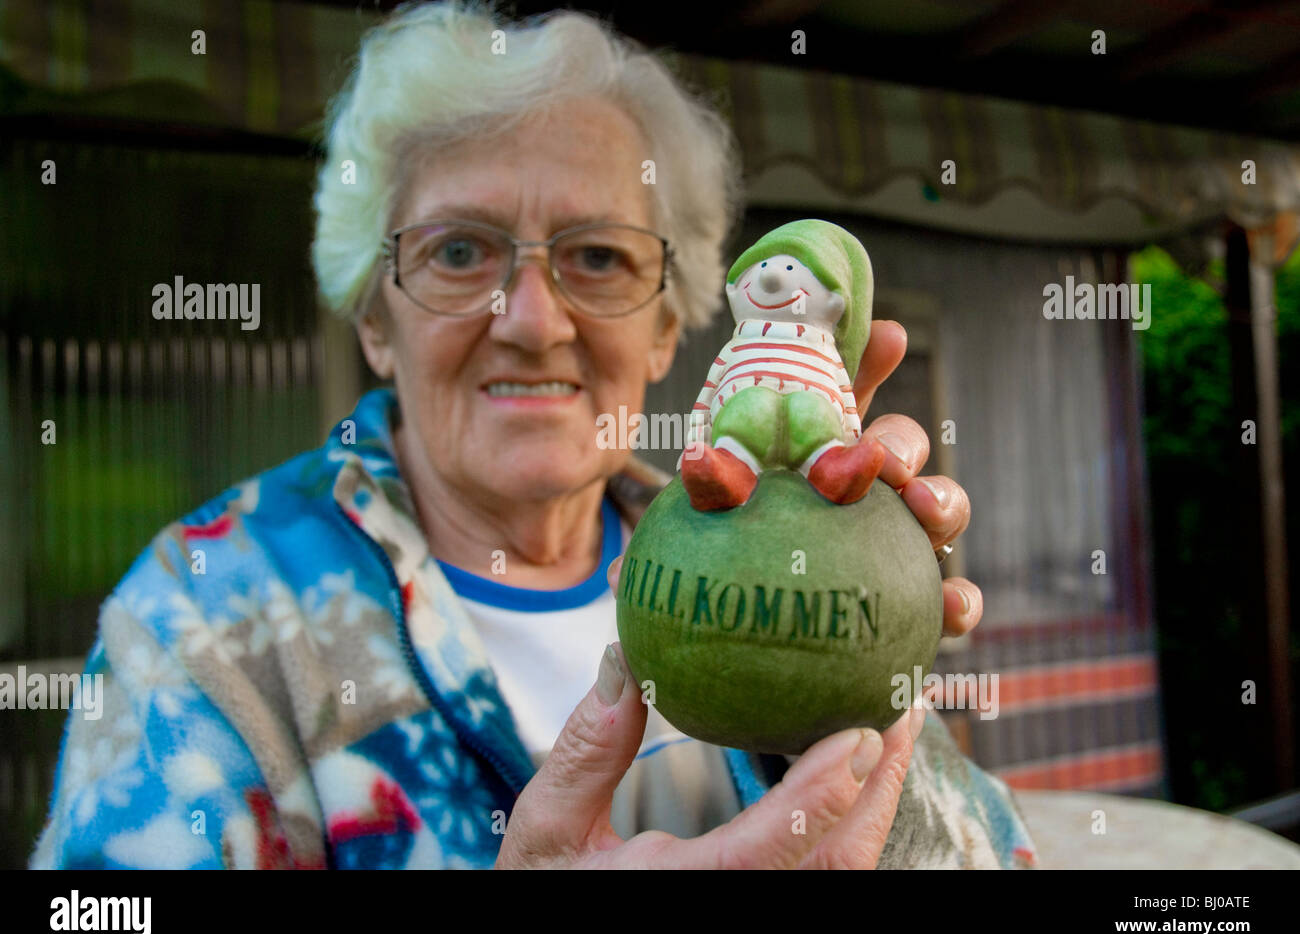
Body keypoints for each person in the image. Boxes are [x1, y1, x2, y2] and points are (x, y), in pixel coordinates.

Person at [31, 0, 1036, 869]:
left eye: (595, 255)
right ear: (374, 320)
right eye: (459, 250)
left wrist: (866, 698)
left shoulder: (766, 539)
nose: (533, 319)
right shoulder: (204, 614)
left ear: (667, 327)